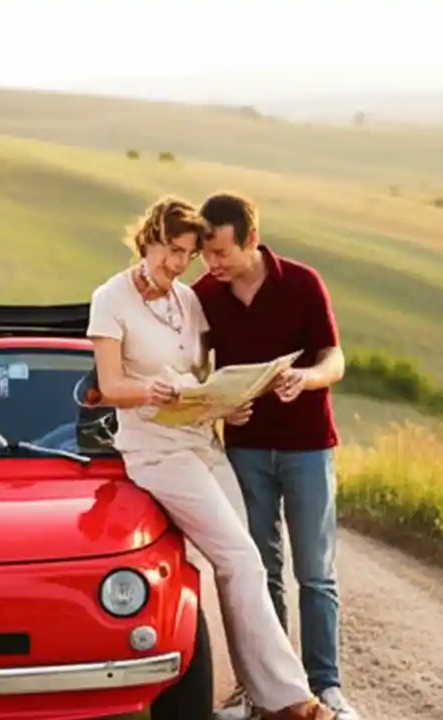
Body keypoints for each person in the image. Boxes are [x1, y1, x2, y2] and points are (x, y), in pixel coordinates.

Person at [85, 195, 335, 720]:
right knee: (243, 560)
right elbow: (108, 386)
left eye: (188, 255)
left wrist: (226, 401)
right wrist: (150, 392)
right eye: (171, 250)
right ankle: (291, 700)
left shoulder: (189, 300)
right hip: (155, 453)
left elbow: (203, 375)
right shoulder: (110, 298)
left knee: (239, 564)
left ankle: (251, 694)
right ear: (148, 238)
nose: (177, 264)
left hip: (202, 442)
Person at [192, 192, 360, 720]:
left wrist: (306, 379)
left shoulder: (304, 283)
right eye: (205, 254)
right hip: (244, 448)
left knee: (316, 573)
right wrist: (219, 403)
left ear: (251, 241)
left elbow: (334, 359)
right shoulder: (205, 294)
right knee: (257, 571)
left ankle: (325, 686)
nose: (212, 264)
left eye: (220, 253)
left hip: (308, 447)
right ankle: (266, 689)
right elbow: (197, 373)